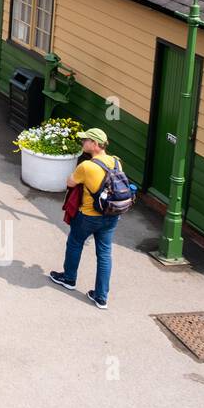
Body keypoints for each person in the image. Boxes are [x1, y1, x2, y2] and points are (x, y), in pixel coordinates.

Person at [50, 128, 124, 309]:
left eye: (86, 140)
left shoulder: (87, 166)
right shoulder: (116, 162)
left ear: (95, 144)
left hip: (88, 216)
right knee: (105, 254)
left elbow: (70, 182)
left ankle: (69, 279)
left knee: (75, 243)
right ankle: (101, 297)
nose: (83, 142)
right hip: (111, 215)